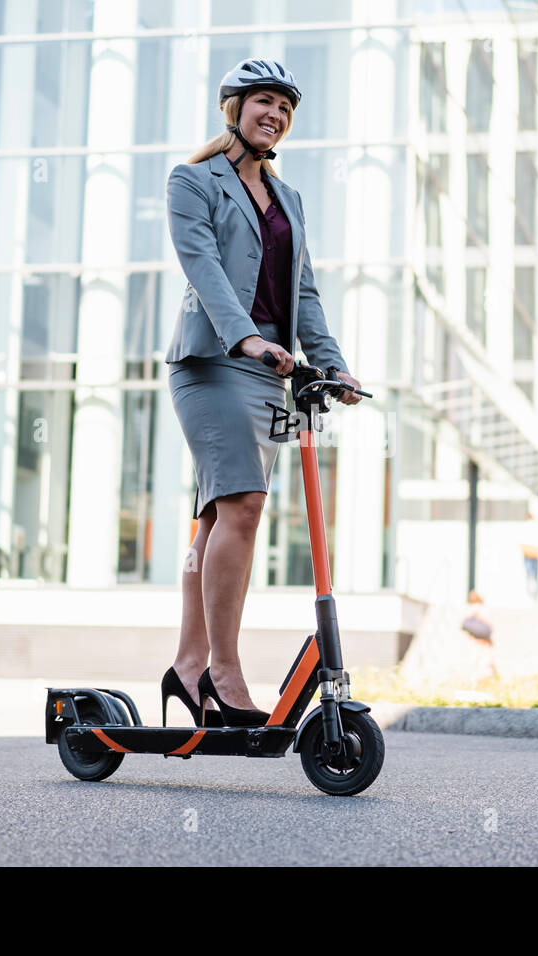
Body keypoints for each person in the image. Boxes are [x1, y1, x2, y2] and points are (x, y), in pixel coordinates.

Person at [160, 58, 364, 728]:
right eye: (262, 101)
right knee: (243, 505)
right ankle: (223, 672)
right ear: (235, 109)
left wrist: (333, 366)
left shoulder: (291, 201)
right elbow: (204, 267)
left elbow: (304, 294)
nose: (273, 114)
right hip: (214, 361)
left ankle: (188, 666)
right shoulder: (193, 182)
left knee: (221, 516)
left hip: (272, 369)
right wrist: (245, 338)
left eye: (283, 106)